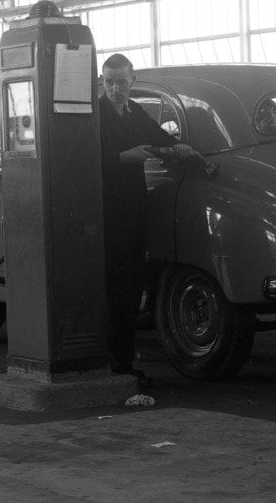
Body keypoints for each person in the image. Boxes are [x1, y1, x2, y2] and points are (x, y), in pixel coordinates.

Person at [99, 53, 204, 388]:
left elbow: (159, 137)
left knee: (131, 283)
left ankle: (123, 358)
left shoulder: (134, 111)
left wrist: (179, 148)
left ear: (132, 80)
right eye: (109, 82)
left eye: (121, 82)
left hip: (134, 208)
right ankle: (117, 362)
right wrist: (122, 157)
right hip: (107, 212)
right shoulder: (94, 116)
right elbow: (79, 160)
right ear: (102, 81)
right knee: (116, 287)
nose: (115, 89)